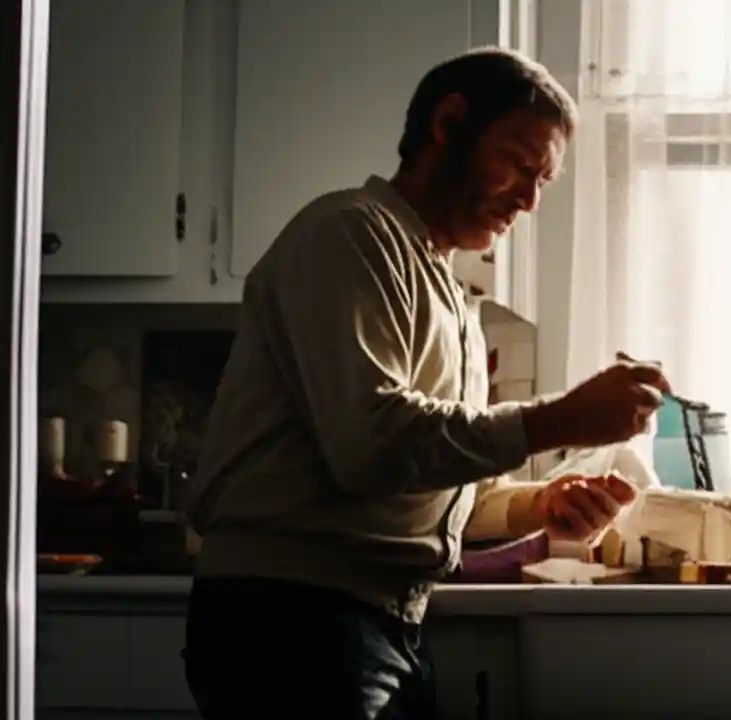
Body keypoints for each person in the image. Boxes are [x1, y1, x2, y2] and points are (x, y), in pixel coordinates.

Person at [181, 47, 670, 719]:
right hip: (290, 619)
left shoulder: (451, 294)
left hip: (379, 620)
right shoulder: (349, 234)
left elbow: (433, 482)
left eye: (544, 182)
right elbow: (371, 444)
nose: (529, 200)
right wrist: (560, 419)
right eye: (519, 164)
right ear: (448, 123)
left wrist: (541, 505)